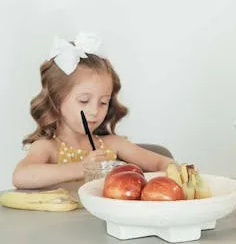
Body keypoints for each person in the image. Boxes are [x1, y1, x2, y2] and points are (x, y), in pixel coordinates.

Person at [13, 33, 174, 189]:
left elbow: (161, 163)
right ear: (56, 100)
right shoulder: (48, 148)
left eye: (103, 102)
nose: (94, 111)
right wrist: (83, 167)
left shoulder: (112, 145)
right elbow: (21, 176)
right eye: (84, 101)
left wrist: (181, 172)